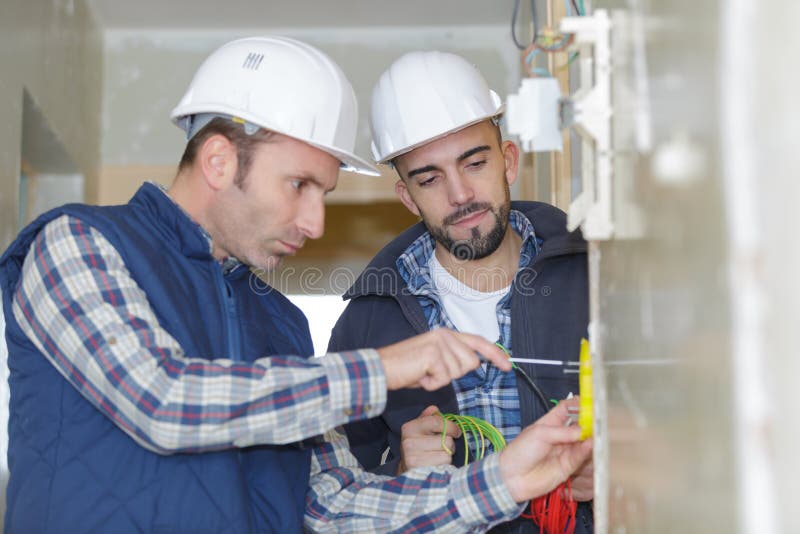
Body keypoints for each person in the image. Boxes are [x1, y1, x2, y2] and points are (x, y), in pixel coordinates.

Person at [0, 37, 591, 532]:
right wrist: (384, 369)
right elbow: (164, 400)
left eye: (324, 193)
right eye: (299, 186)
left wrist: (507, 478)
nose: (315, 224)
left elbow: (332, 503)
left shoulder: (278, 322)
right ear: (219, 162)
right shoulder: (78, 247)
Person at [329, 51, 595, 533]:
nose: (460, 195)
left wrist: (618, 470)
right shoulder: (366, 325)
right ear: (408, 197)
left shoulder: (595, 277)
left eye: (474, 163)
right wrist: (402, 477)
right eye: (430, 178)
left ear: (508, 161)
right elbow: (333, 500)